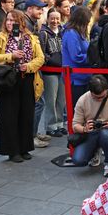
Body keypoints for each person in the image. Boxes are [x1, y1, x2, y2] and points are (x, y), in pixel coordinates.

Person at [0, 9, 43, 163]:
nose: (10, 23)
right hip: (8, 79)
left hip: (27, 78)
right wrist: (10, 56)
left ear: (21, 22)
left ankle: (25, 147)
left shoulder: (31, 38)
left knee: (26, 114)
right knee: (9, 115)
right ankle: (12, 150)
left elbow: (40, 58)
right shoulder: (1, 37)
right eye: (8, 20)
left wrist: (29, 66)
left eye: (13, 20)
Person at [71, 75, 108, 176]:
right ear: (90, 92)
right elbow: (75, 125)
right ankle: (96, 150)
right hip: (91, 134)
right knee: (78, 161)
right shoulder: (83, 100)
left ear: (106, 90)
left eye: (102, 97)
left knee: (105, 134)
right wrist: (85, 129)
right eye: (96, 97)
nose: (99, 99)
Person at [38, 9, 64, 140]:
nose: (55, 21)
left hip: (62, 70)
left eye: (57, 18)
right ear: (48, 19)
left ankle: (59, 124)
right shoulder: (43, 33)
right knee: (50, 100)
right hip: (50, 71)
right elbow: (42, 52)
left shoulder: (63, 31)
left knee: (61, 99)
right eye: (52, 18)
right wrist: (52, 60)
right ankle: (50, 126)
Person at [61, 5, 92, 111]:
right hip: (75, 78)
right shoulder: (71, 33)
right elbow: (76, 56)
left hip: (83, 76)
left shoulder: (79, 32)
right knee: (77, 109)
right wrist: (92, 57)